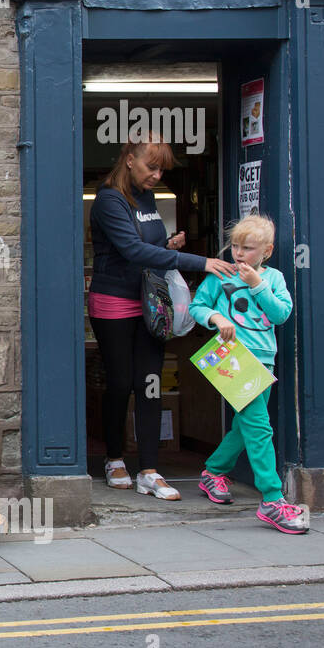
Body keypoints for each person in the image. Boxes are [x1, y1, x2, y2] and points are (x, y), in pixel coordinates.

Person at [88, 134, 236, 499]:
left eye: (161, 169)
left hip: (152, 303)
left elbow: (148, 248)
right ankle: (114, 458)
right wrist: (200, 262)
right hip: (114, 301)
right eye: (150, 167)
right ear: (129, 159)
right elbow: (131, 249)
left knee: (150, 383)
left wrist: (167, 245)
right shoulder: (109, 200)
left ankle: (150, 470)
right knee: (121, 383)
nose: (156, 175)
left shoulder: (149, 197)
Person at [189, 215, 303, 533]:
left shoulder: (274, 279)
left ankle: (213, 472)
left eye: (248, 248)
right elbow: (197, 306)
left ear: (266, 251)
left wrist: (257, 285)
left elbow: (281, 314)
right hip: (229, 359)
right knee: (259, 427)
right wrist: (215, 317)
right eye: (235, 246)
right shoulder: (220, 274)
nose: (239, 254)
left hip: (263, 359)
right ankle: (272, 499)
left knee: (245, 425)